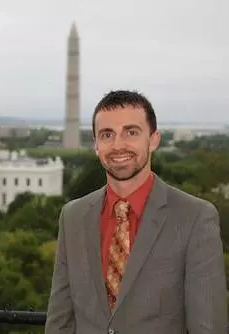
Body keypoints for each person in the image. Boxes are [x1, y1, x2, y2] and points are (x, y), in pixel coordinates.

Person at [44, 90, 227, 334]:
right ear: (96, 146)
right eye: (107, 135)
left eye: (131, 132)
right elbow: (60, 321)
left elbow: (208, 327)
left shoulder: (195, 218)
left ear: (153, 140)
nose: (118, 145)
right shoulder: (73, 216)